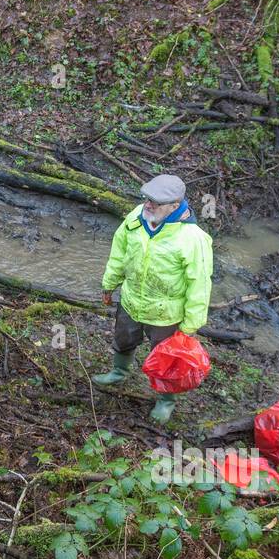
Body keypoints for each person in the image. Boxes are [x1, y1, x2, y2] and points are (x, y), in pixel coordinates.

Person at [93, 173, 212, 422]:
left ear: (174, 206)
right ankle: (119, 371)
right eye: (147, 199)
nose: (148, 205)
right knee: (123, 338)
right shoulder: (136, 217)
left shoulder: (193, 239)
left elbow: (199, 284)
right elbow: (119, 251)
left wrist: (190, 326)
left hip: (165, 314)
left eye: (155, 202)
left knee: (166, 358)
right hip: (131, 300)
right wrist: (109, 284)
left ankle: (166, 401)